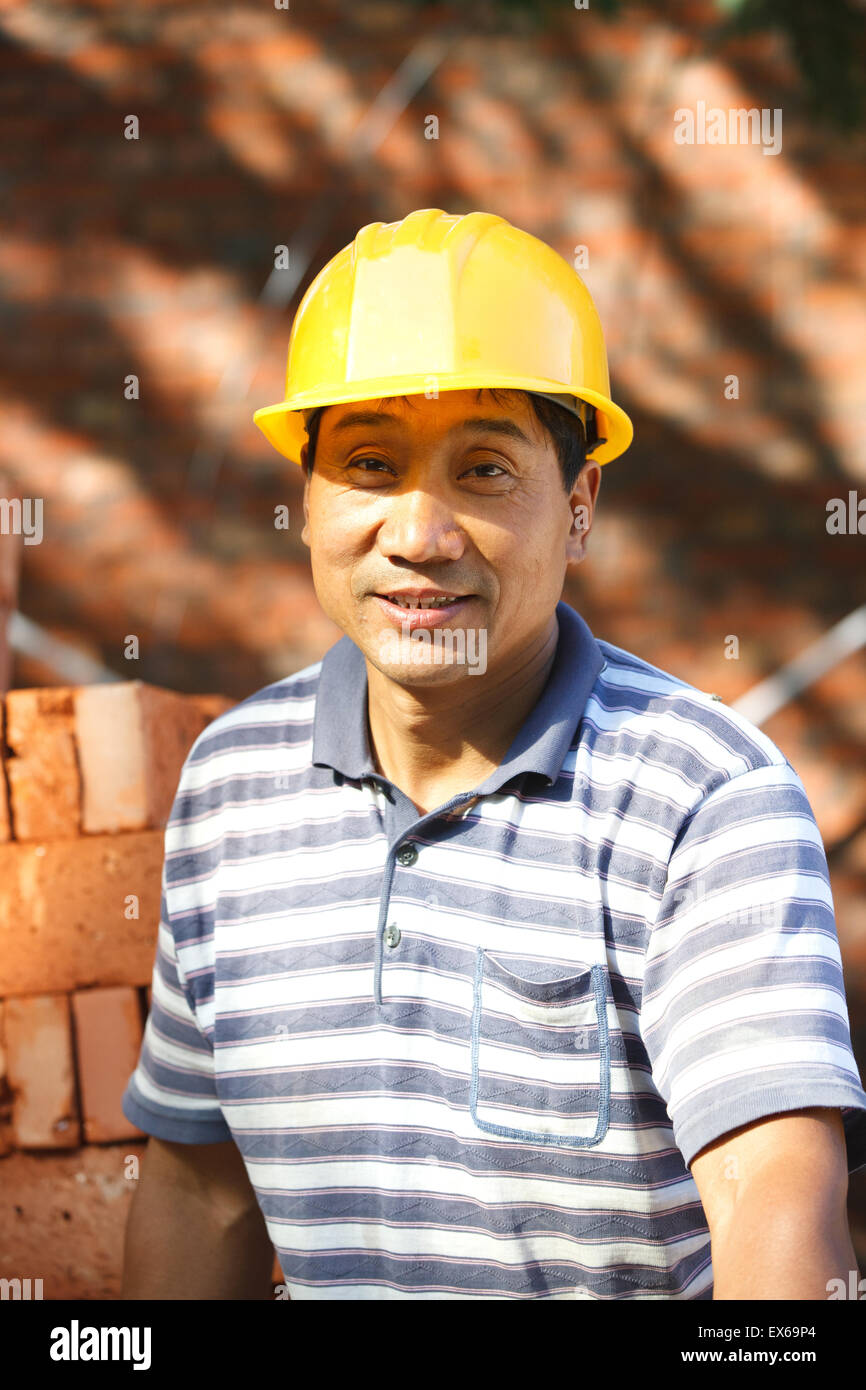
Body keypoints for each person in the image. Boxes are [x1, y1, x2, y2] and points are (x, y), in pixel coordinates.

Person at [121, 208, 866, 1300]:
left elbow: (772, 1200)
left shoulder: (700, 796)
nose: (418, 536)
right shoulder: (228, 786)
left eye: (482, 472)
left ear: (577, 506)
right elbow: (201, 1190)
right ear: (308, 495)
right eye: (370, 463)